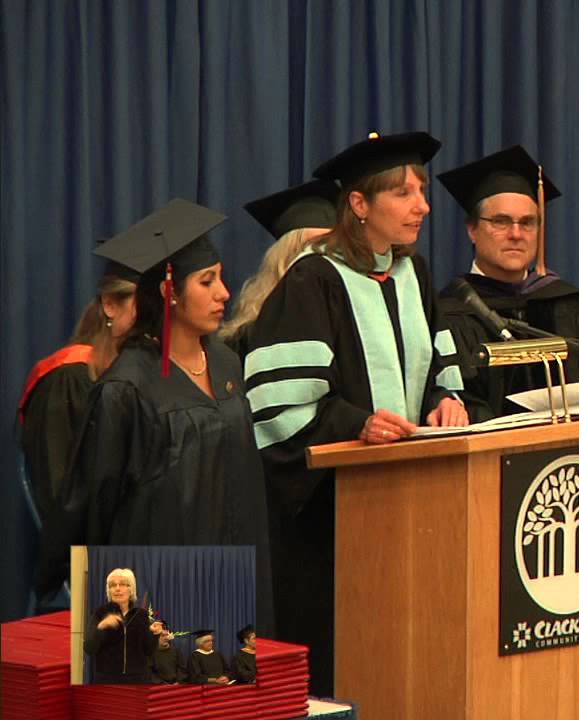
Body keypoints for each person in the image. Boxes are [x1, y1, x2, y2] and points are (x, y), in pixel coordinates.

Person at [243, 131, 469, 695]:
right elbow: (279, 403)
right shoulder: (312, 279)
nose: (423, 206)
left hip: (411, 494)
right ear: (360, 204)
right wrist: (356, 423)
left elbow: (440, 362)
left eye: (422, 191)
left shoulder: (413, 274)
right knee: (341, 655)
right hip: (333, 512)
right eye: (404, 193)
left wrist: (447, 400)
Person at [34, 199, 275, 638]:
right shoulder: (127, 385)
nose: (224, 293)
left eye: (221, 278)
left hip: (236, 568)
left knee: (230, 676)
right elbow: (96, 498)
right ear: (170, 292)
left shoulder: (225, 362)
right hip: (161, 579)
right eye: (207, 281)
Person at [435, 145, 579, 420]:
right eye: (501, 222)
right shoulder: (448, 313)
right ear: (472, 230)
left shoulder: (569, 303)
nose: (516, 234)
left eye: (527, 223)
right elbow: (452, 399)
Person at [19, 265, 137, 529]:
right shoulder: (67, 379)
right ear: (110, 305)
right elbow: (60, 496)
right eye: (147, 304)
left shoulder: (141, 375)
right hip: (90, 545)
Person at [219, 179, 340, 358]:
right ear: (286, 256)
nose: (321, 259)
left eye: (331, 248)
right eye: (312, 248)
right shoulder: (249, 336)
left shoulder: (351, 324)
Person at [84, 568, 164, 683]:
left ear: (131, 589)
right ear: (109, 591)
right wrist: (101, 626)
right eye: (112, 585)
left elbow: (149, 651)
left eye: (122, 584)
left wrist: (154, 634)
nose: (117, 588)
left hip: (138, 680)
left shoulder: (141, 615)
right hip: (107, 680)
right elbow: (89, 649)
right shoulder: (100, 613)